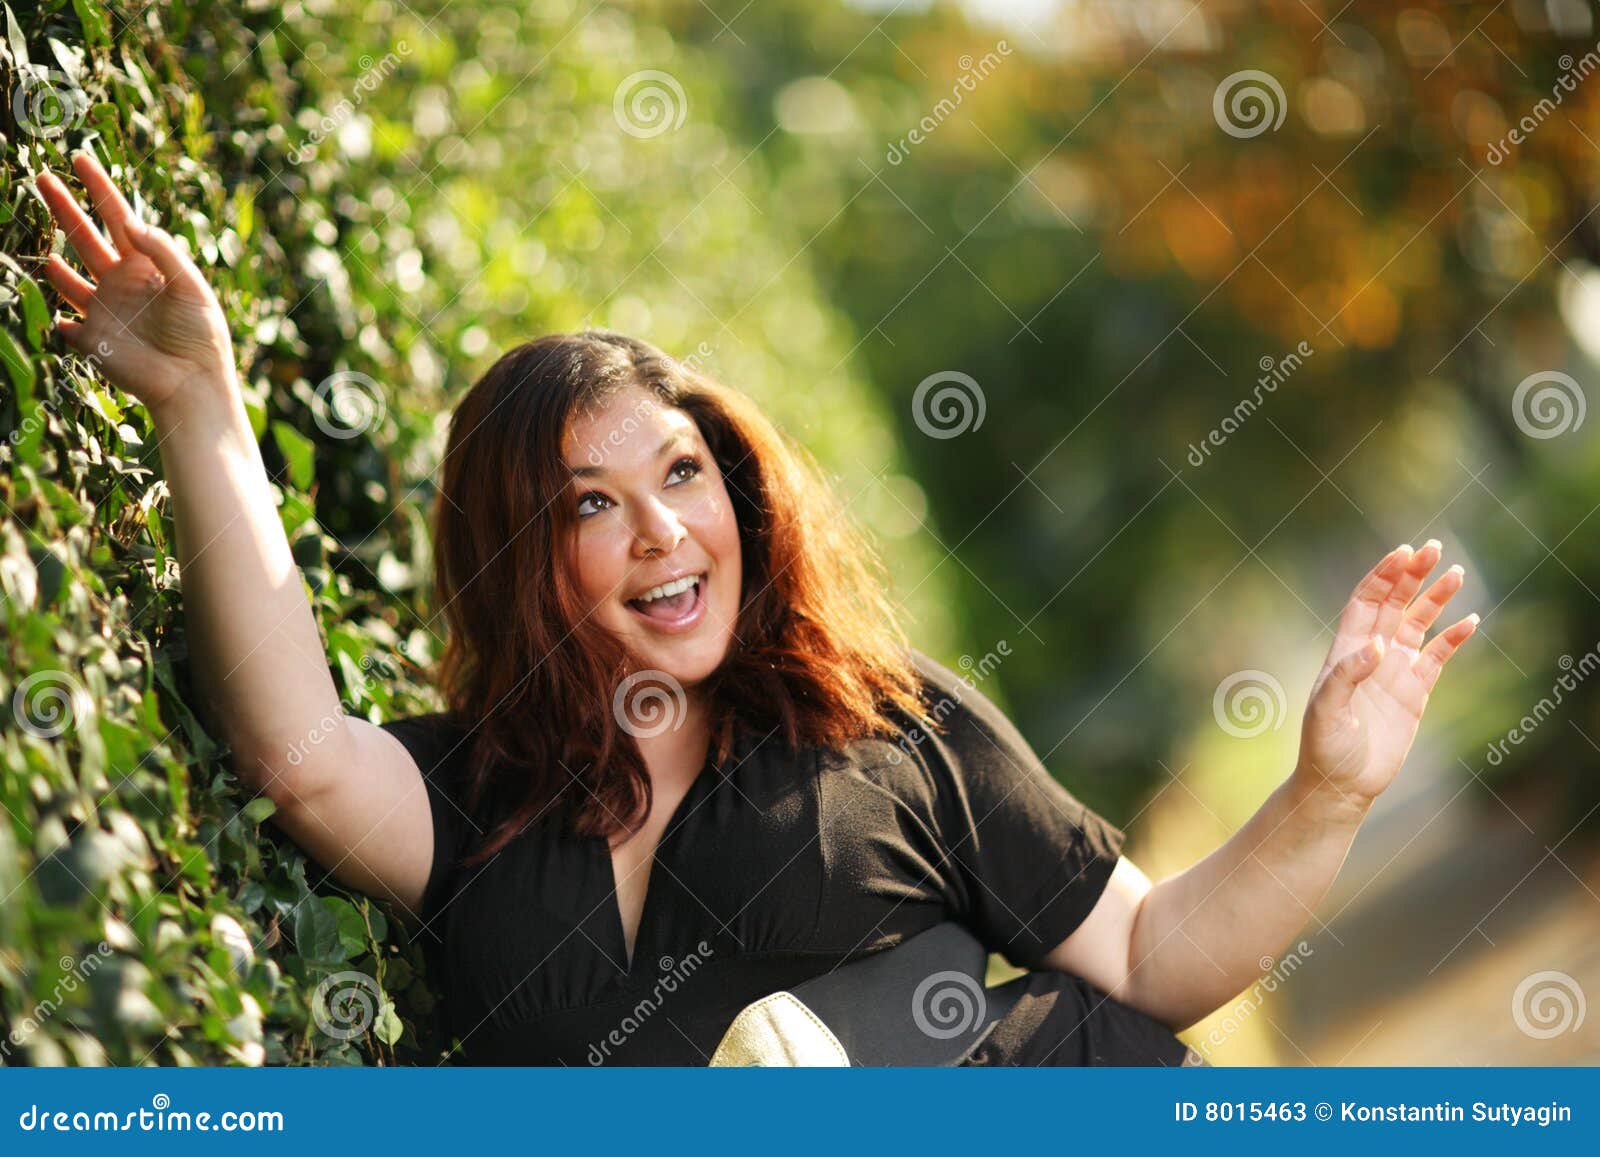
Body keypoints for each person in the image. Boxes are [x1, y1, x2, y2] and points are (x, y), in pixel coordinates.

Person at [35, 150, 1480, 1066]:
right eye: (590, 502)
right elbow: (296, 753)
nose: (664, 527)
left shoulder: (891, 722)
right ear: (519, 558)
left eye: (682, 472)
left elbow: (1156, 956)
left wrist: (1326, 793)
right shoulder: (477, 798)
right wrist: (200, 403)